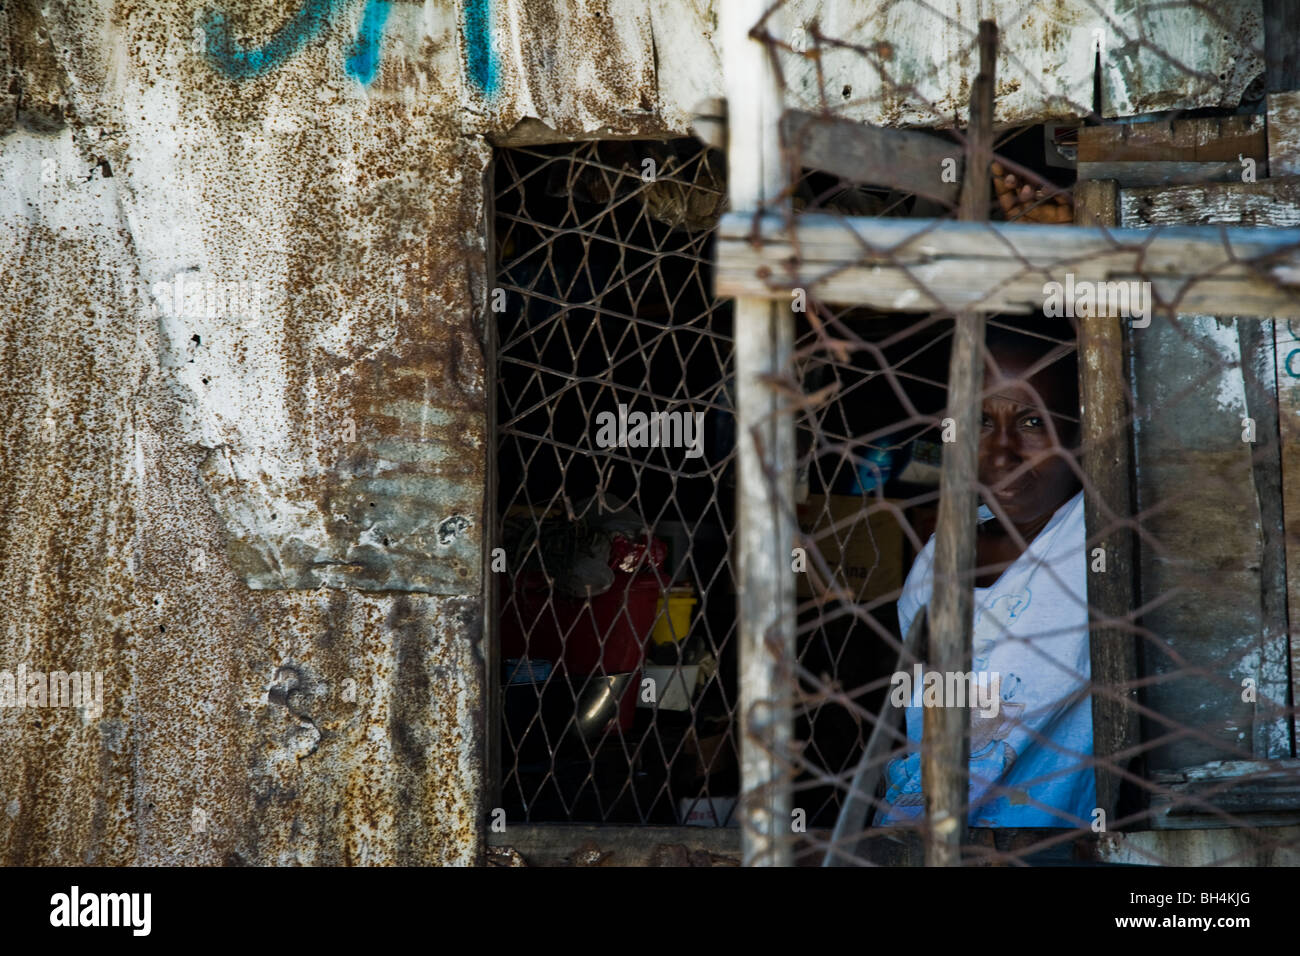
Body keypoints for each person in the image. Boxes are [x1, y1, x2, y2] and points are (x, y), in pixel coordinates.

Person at [876, 323, 1094, 828]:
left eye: (1032, 423)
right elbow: (915, 726)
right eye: (981, 421)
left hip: (1049, 848)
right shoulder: (937, 560)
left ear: (1081, 431)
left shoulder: (1093, 538)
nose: (1000, 452)